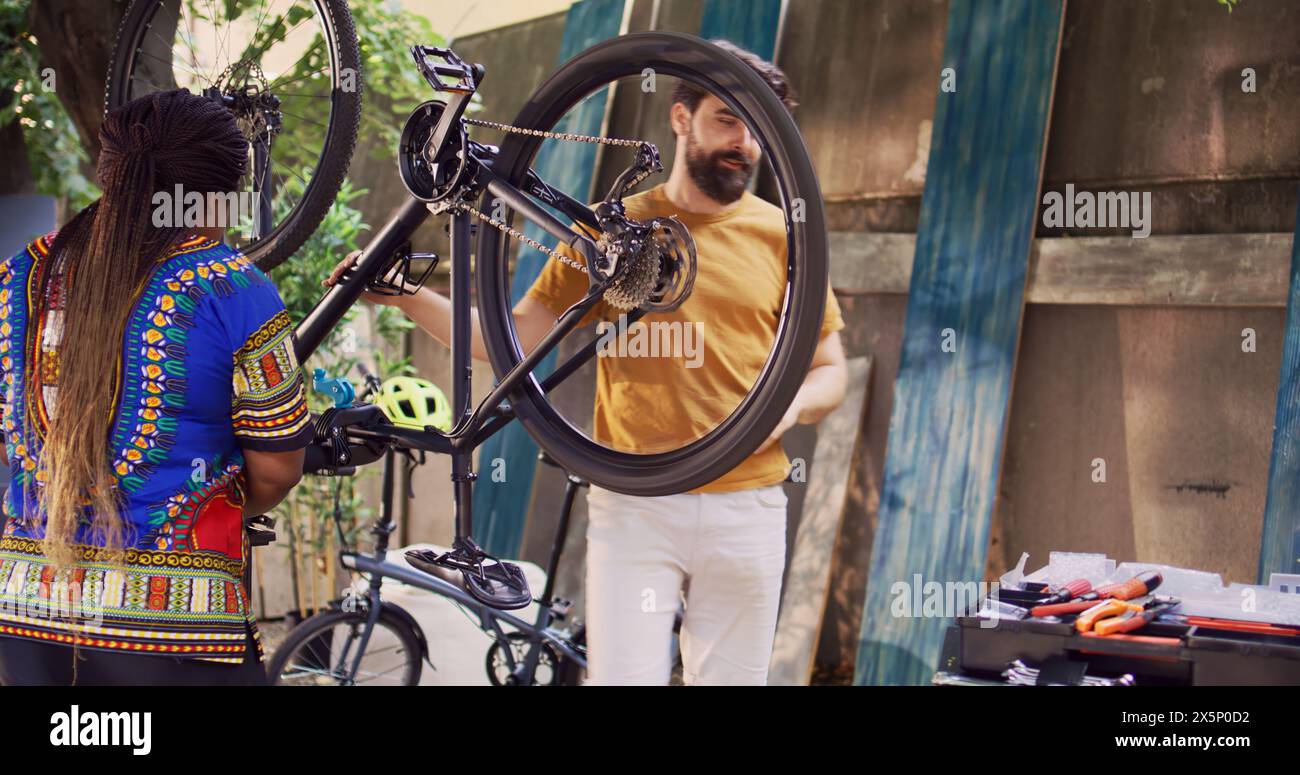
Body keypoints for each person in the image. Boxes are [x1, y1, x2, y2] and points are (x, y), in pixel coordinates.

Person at [325, 41, 847, 685]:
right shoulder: (617, 233)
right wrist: (404, 295)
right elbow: (509, 338)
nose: (745, 143)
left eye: (758, 128)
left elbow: (831, 369)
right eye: (726, 120)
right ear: (681, 118)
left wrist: (782, 409)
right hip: (637, 505)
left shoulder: (783, 234)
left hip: (749, 505)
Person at [0, 89, 313, 686]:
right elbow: (276, 470)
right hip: (175, 633)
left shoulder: (19, 276)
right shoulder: (233, 287)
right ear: (221, 193)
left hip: (26, 614)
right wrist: (194, 511)